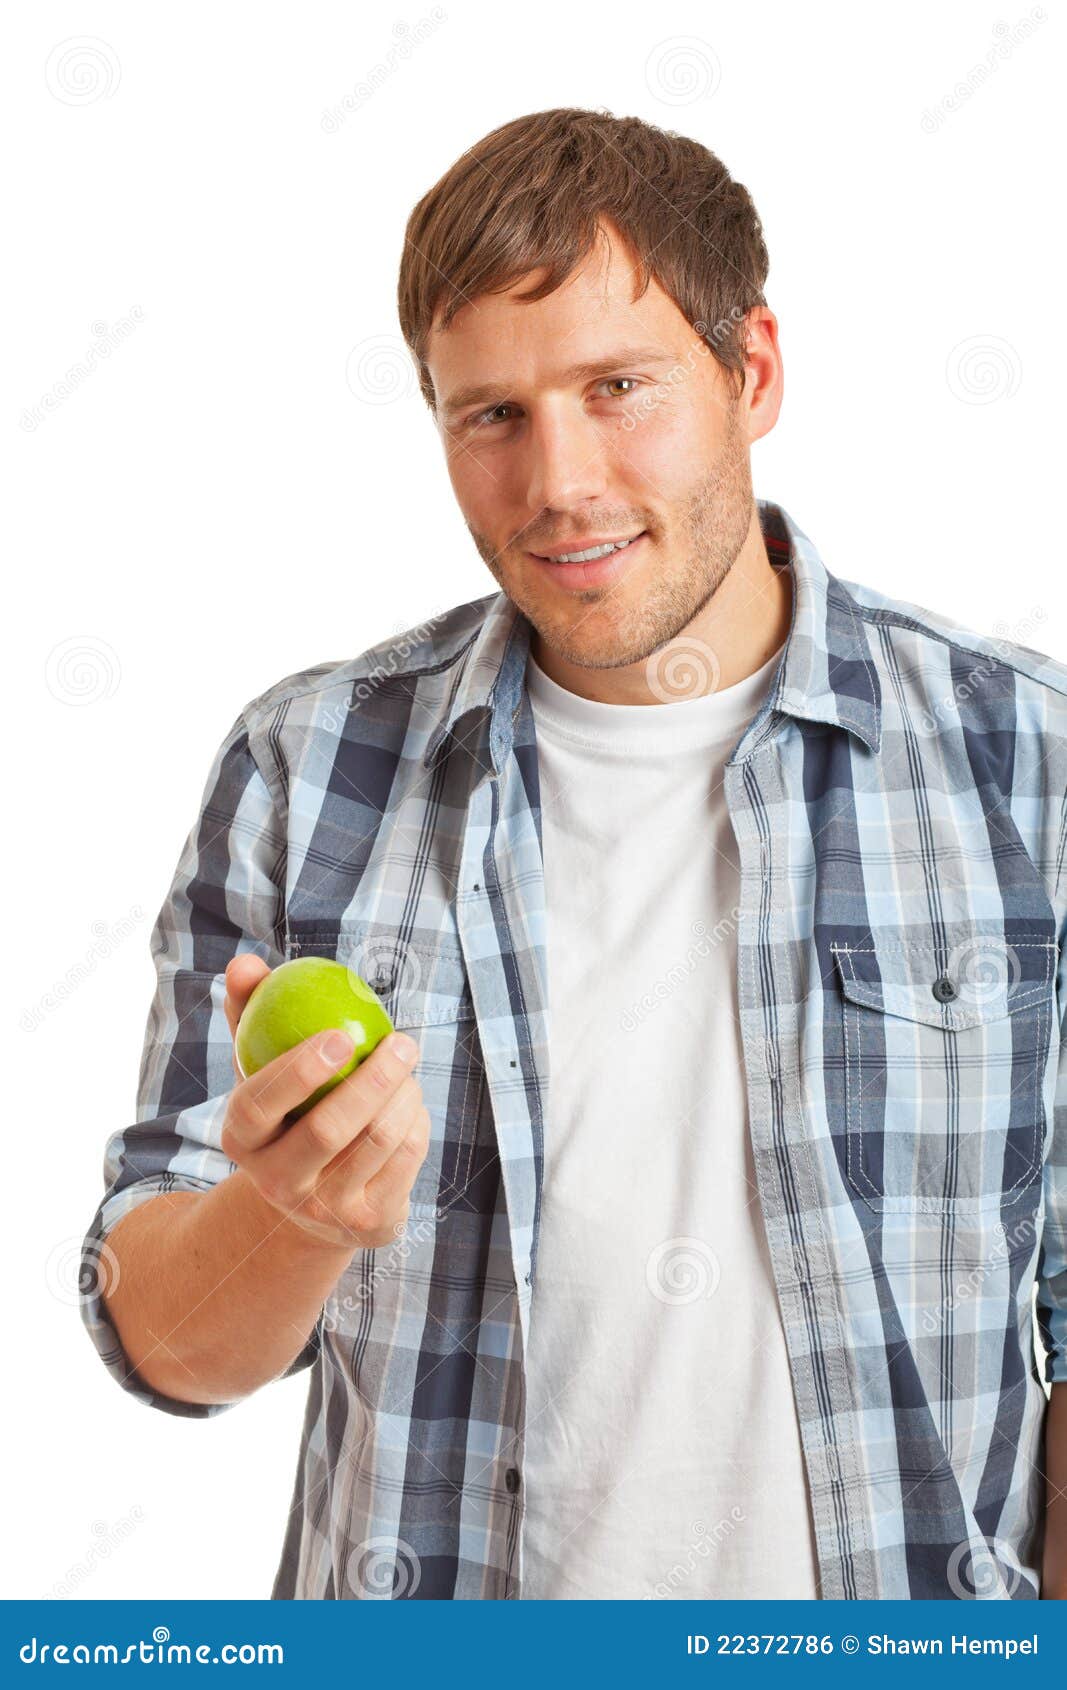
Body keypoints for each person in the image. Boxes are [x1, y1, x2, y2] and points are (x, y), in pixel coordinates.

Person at [79, 106, 1067, 1601]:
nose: (560, 483)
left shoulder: (1028, 759)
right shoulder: (310, 766)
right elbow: (166, 1346)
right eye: (492, 416)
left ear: (753, 372)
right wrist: (285, 1216)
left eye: (621, 387)